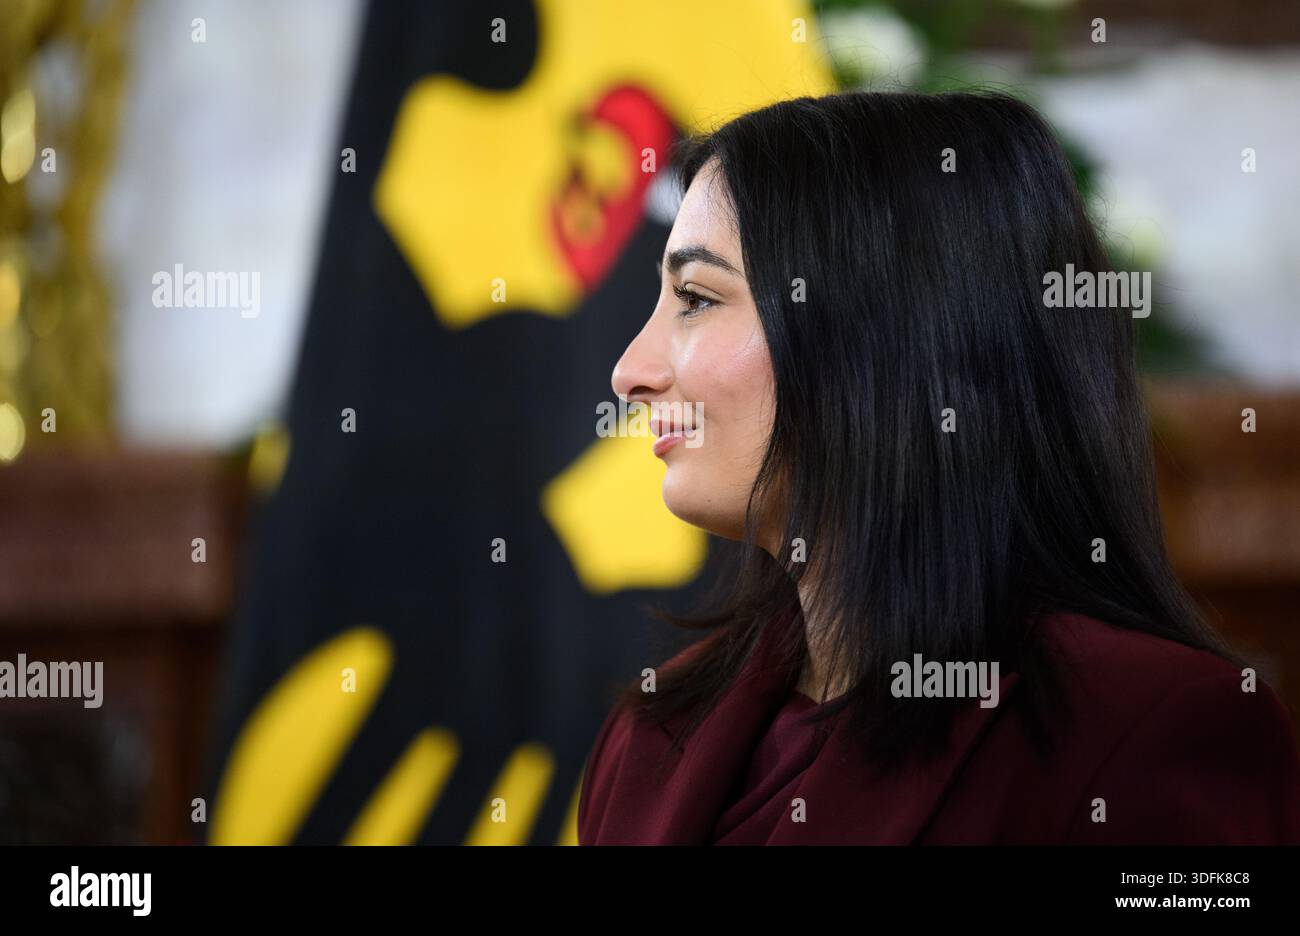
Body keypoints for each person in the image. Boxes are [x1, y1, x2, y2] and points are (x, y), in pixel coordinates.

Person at [578, 90, 1300, 845]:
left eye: (695, 297)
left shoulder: (1151, 730)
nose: (631, 370)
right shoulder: (649, 733)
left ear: (884, 337)